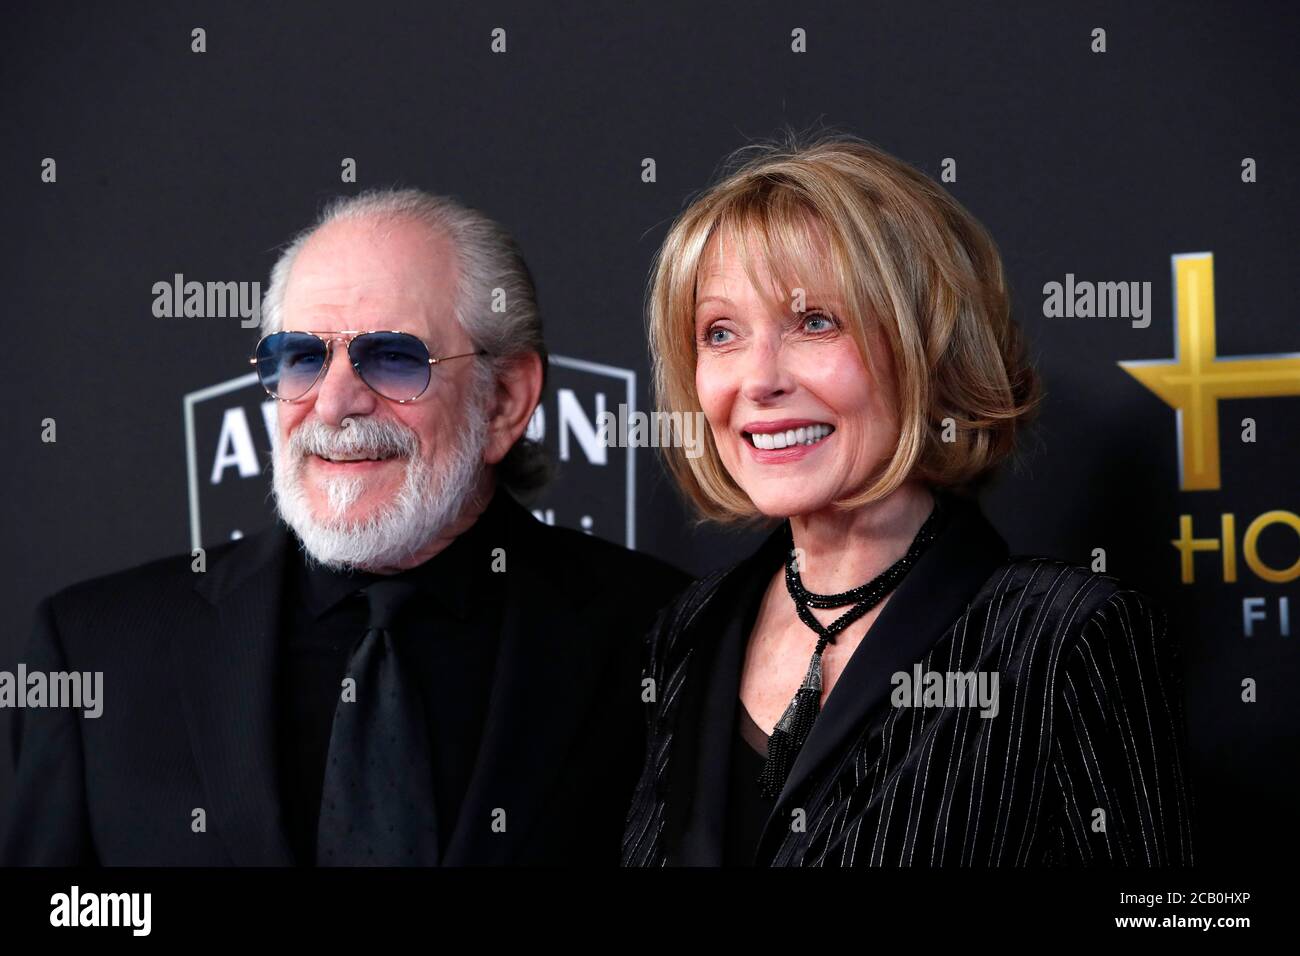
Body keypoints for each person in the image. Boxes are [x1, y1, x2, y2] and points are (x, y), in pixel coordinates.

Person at [4, 188, 686, 866]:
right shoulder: (97, 648)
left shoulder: (665, 638)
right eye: (301, 357)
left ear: (505, 401)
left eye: (393, 358)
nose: (333, 403)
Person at [621, 135, 1195, 866]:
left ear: (929, 345)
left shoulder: (1065, 640)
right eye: (721, 332)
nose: (757, 380)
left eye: (815, 322)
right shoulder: (686, 632)